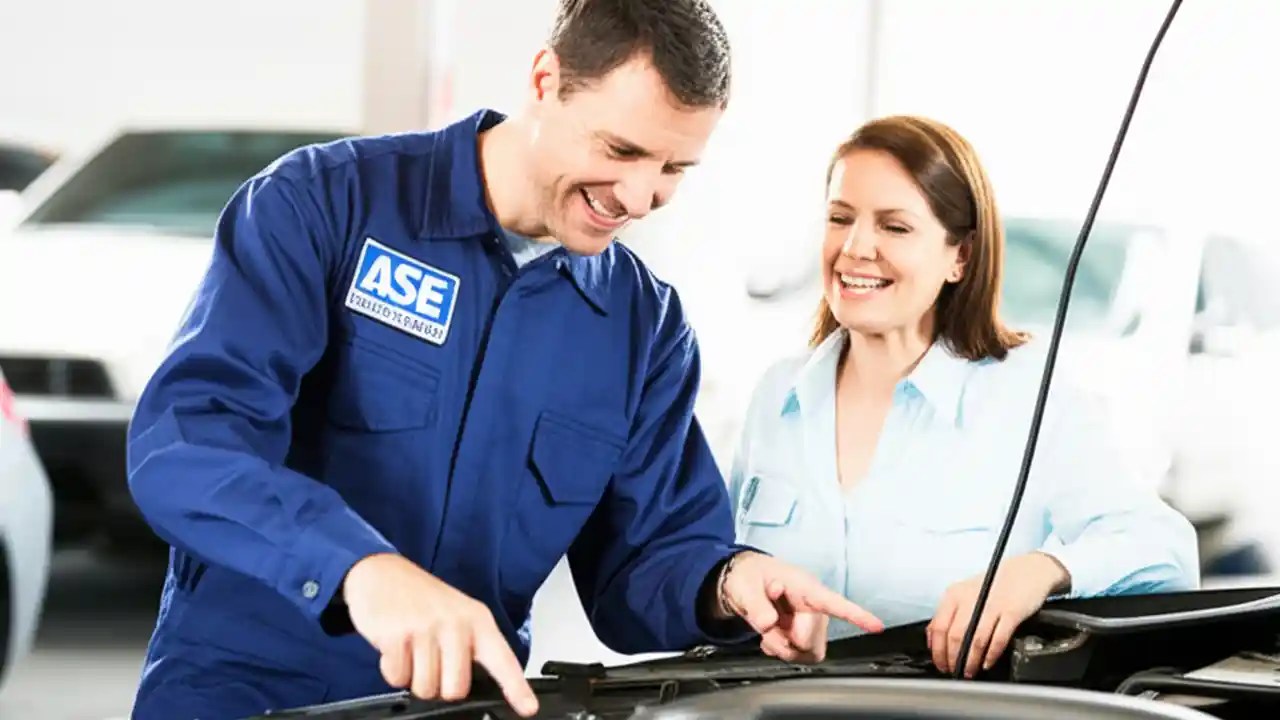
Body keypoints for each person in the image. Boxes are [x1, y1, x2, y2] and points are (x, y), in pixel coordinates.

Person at [124, 2, 885, 718]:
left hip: (463, 705)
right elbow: (188, 443)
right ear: (545, 82)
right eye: (620, 149)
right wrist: (359, 568)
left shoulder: (642, 327)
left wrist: (726, 583)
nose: (640, 194)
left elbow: (646, 559)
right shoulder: (324, 206)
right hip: (243, 693)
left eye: (673, 168)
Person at [726, 114, 1200, 679]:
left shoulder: (1027, 394)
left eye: (894, 227)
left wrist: (1040, 570)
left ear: (962, 257)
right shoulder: (778, 395)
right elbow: (728, 572)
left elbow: (1165, 551)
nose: (855, 247)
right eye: (840, 218)